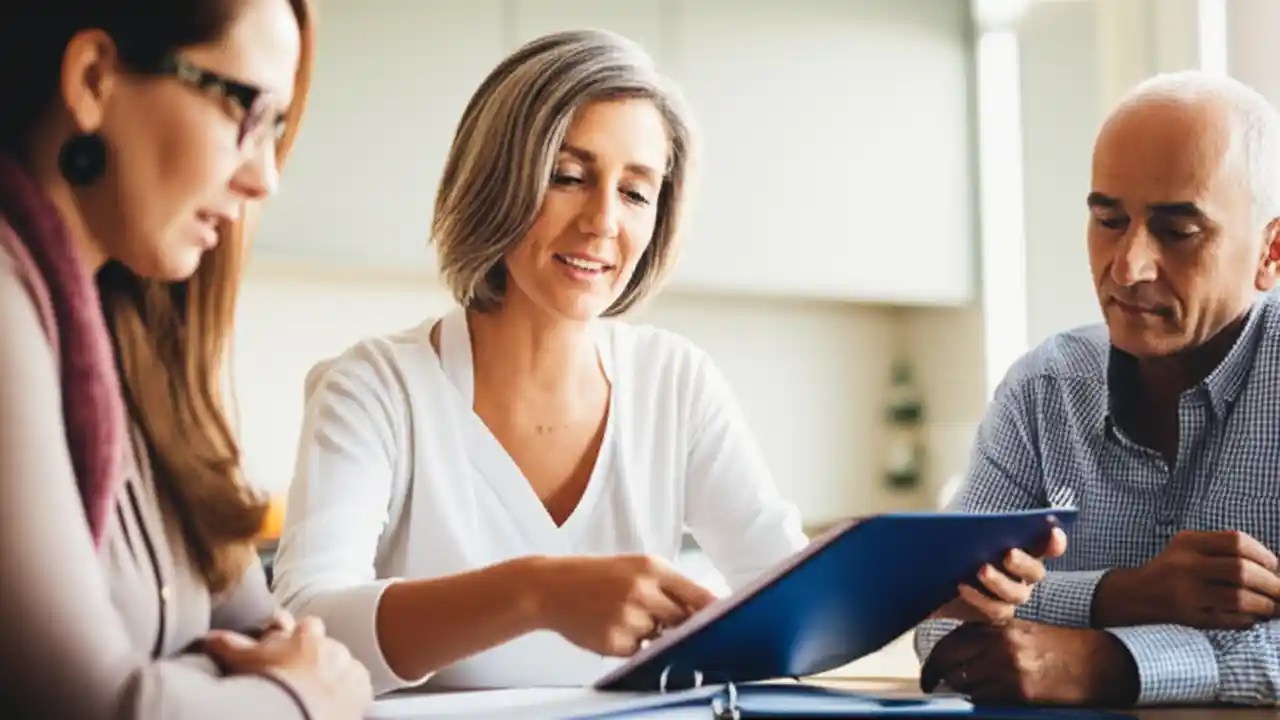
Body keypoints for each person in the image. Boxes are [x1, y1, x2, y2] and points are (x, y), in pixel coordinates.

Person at [271, 28, 1065, 695]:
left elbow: (786, 596)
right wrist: (537, 593)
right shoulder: (375, 388)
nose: (601, 223)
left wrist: (940, 596)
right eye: (568, 176)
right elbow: (311, 627)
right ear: (495, 179)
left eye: (636, 191)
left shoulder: (673, 383)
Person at [0, 2, 372, 718]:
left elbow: (260, 631)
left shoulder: (132, 332)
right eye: (248, 111)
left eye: (278, 132)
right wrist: (300, 700)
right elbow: (92, 706)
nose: (266, 178)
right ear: (94, 78)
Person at [916, 70, 1280, 708]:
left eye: (1178, 231)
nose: (1128, 266)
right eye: (1109, 219)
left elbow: (971, 607)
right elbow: (936, 611)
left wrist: (1113, 662)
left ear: (1271, 252)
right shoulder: (1042, 389)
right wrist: (1123, 596)